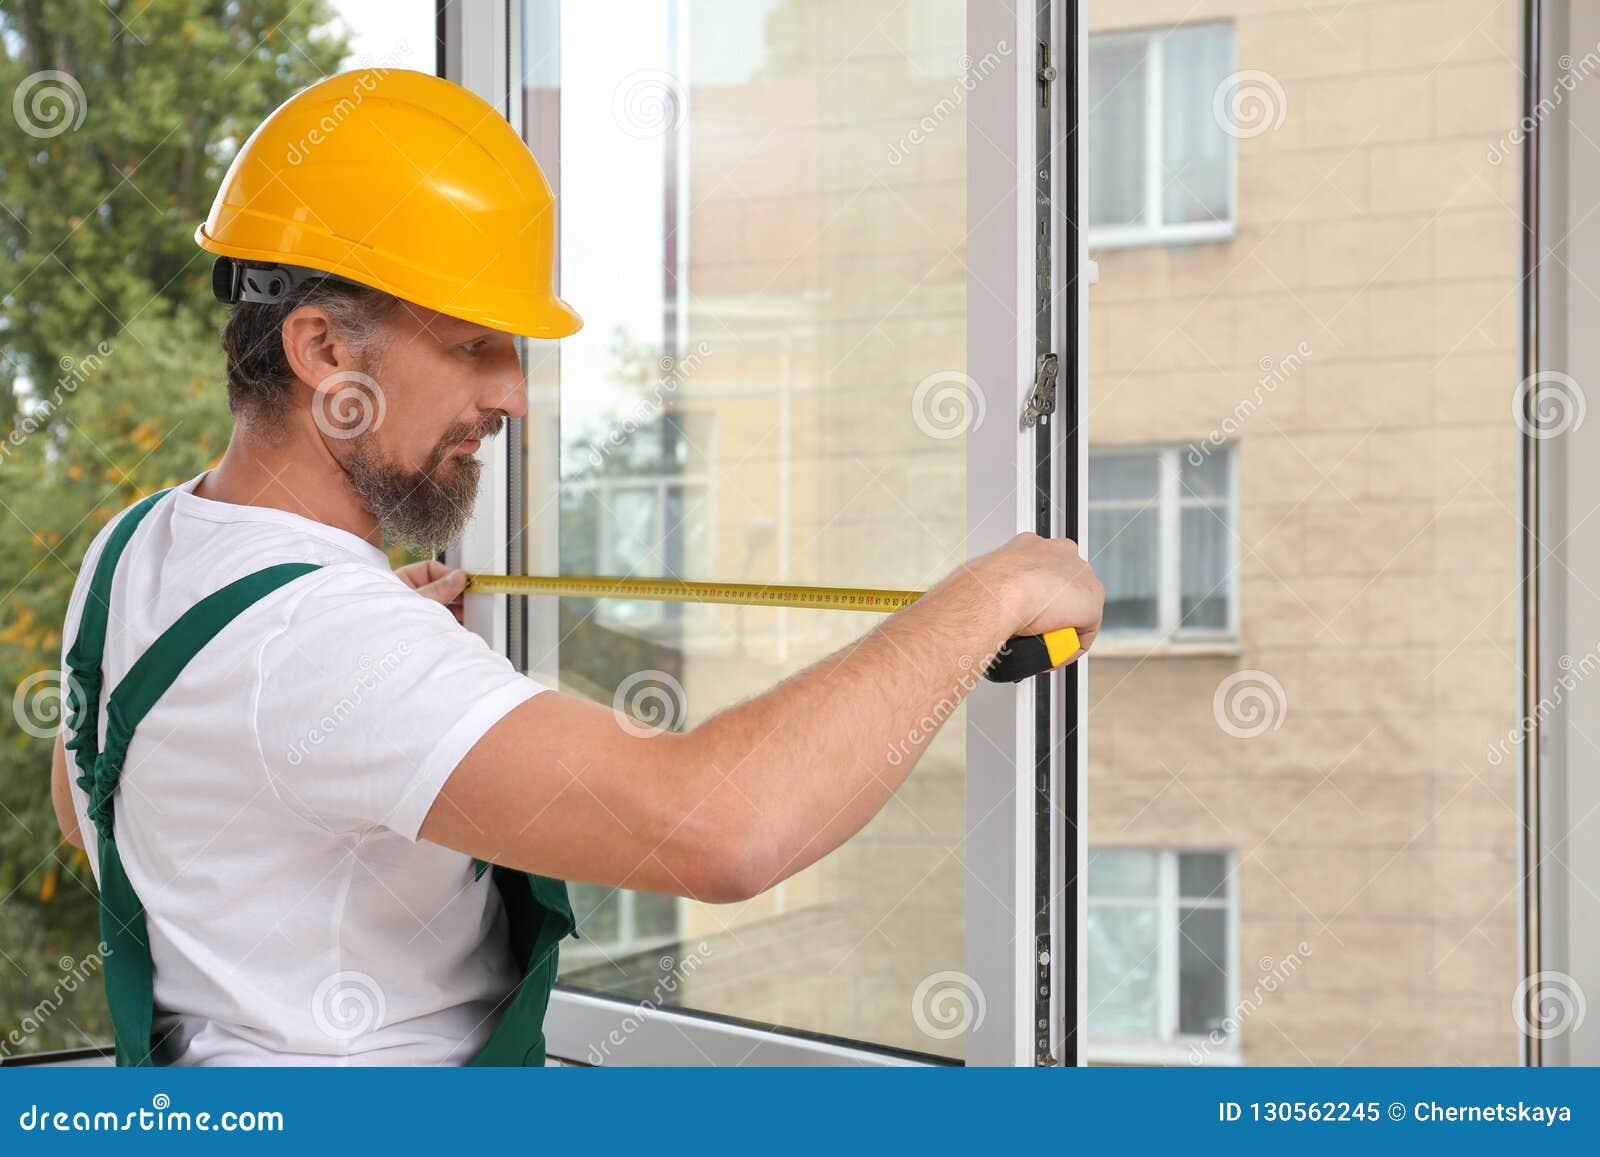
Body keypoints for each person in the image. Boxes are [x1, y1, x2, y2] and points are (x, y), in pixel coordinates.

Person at [49, 69, 1104, 1066]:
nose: (514, 395)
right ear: (323, 352)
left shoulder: (138, 546)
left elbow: (95, 797)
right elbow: (721, 831)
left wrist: (349, 723)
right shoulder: (325, 643)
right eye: (473, 345)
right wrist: (988, 594)